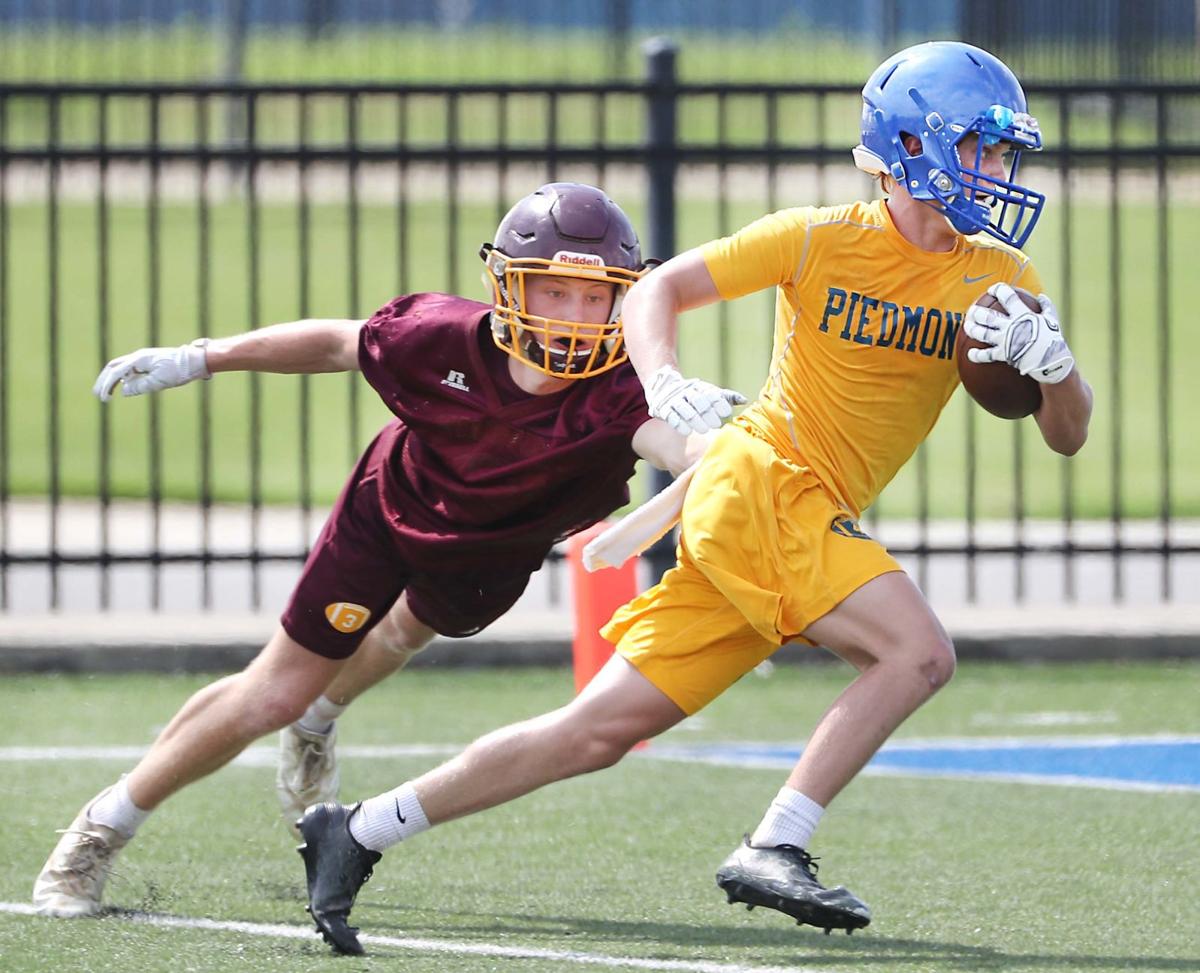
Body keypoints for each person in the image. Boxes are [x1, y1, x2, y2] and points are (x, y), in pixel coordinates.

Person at [292, 40, 1095, 956]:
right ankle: (775, 841)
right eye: (981, 149)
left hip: (786, 516)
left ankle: (355, 831)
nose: (999, 170)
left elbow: (1066, 433)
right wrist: (664, 380)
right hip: (762, 482)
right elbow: (659, 289)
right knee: (916, 653)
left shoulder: (1003, 279)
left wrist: (1059, 371)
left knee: (594, 731)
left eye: (1004, 152)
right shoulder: (820, 236)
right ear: (913, 146)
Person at [32, 181, 717, 918]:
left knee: (403, 630)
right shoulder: (443, 337)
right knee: (273, 689)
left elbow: (677, 447)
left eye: (595, 296)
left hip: (496, 548)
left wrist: (715, 438)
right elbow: (337, 342)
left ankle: (320, 717)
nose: (576, 317)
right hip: (391, 508)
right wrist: (204, 357)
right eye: (554, 291)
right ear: (509, 287)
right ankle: (100, 828)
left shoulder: (625, 389)